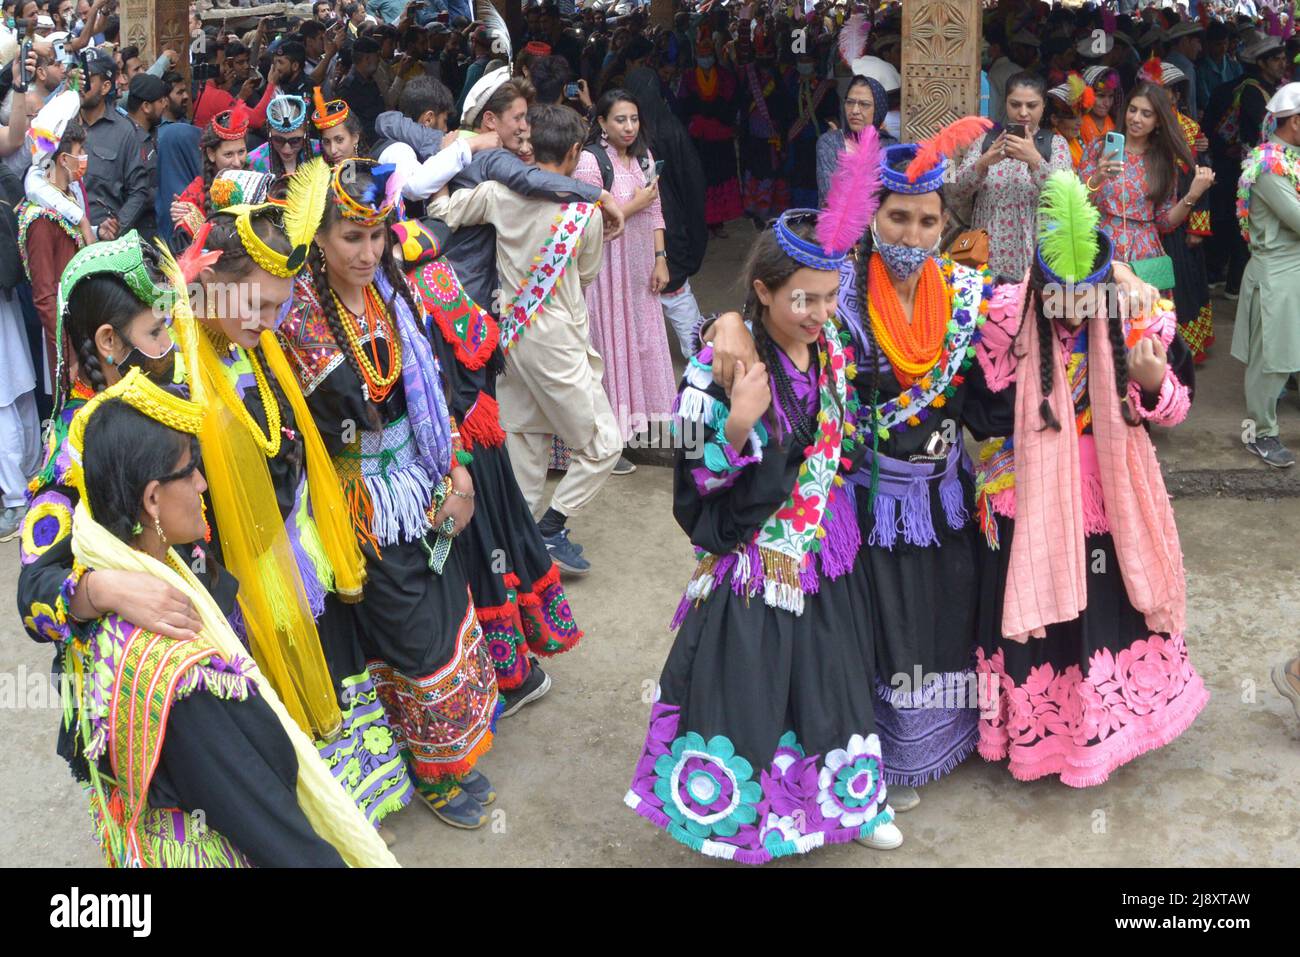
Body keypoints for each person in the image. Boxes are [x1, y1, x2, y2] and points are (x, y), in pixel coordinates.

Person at [625, 209, 901, 862]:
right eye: (804, 297)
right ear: (763, 291)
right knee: (752, 686)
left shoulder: (833, 345)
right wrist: (740, 429)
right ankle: (741, 817)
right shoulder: (712, 373)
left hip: (827, 547)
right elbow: (692, 491)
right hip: (756, 562)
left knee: (833, 673)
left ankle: (849, 800)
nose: (821, 311)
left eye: (832, 296)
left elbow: (844, 435)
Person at [61, 373, 394, 866]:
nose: (202, 482)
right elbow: (263, 821)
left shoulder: (109, 582)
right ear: (152, 500)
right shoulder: (180, 666)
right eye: (191, 468)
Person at [277, 158, 500, 829]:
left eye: (377, 235)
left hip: (423, 480)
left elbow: (433, 395)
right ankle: (431, 766)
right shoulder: (299, 317)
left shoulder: (393, 296)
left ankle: (436, 752)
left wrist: (457, 470)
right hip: (359, 503)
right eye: (351, 236)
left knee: (441, 604)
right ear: (319, 237)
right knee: (409, 631)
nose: (369, 251)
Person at [972, 170, 1206, 786]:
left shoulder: (1138, 322)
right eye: (1058, 295)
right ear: (1037, 284)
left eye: (1086, 295)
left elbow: (1177, 410)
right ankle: (1040, 735)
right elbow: (976, 408)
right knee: (1045, 619)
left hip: (1110, 494)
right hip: (1027, 496)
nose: (1072, 307)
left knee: (1101, 611)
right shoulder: (1002, 319)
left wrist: (1154, 383)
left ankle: (1104, 733)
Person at [393, 218, 582, 715]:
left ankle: (513, 676)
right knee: (500, 544)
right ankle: (518, 667)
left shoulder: (410, 306)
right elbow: (486, 358)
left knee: (477, 557)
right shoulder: (449, 289)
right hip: (486, 439)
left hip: (459, 455)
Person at [428, 105, 619, 574]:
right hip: (558, 345)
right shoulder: (584, 213)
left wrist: (449, 160)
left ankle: (514, 552)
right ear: (576, 152)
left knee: (527, 449)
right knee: (604, 444)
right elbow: (588, 274)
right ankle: (550, 529)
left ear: (532, 146)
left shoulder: (497, 193)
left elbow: (440, 209)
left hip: (508, 341)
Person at [574, 89, 672, 471]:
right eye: (620, 119)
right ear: (601, 123)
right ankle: (607, 441)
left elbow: (657, 213)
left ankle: (633, 429)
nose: (629, 127)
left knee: (641, 345)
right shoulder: (589, 163)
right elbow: (592, 223)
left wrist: (661, 259)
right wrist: (636, 204)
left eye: (633, 119)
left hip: (638, 270)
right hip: (605, 272)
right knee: (608, 347)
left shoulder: (645, 157)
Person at [1082, 82, 1213, 293]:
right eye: (1132, 110)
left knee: (1141, 320)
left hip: (1144, 253)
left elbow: (1164, 221)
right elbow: (1079, 200)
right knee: (1101, 318)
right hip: (1101, 246)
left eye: (1146, 114)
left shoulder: (1163, 160)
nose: (1135, 118)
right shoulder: (1099, 148)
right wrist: (1098, 177)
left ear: (1158, 121)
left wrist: (1193, 195)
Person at [1232, 81, 1300, 469]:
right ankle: (1260, 432)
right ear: (1294, 123)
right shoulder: (1269, 165)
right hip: (1278, 272)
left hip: (1293, 268)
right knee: (1271, 358)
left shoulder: (1291, 156)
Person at [623, 62, 708, 361]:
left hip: (633, 222)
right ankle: (698, 357)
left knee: (639, 294)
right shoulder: (670, 126)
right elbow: (692, 180)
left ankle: (641, 359)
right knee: (676, 291)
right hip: (671, 224)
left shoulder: (624, 132)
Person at [953, 73, 1071, 281]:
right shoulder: (985, 141)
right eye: (1015, 104)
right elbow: (956, 192)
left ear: (1043, 106)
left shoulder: (1055, 144)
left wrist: (1035, 160)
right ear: (1005, 103)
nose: (1023, 113)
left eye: (1032, 105)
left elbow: (1064, 198)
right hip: (986, 253)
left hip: (1033, 252)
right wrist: (983, 163)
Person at [674, 37, 741, 238]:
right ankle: (702, 224)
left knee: (719, 177)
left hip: (720, 137)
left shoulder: (725, 76)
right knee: (700, 179)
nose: (706, 59)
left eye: (708, 55)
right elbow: (682, 105)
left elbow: (732, 102)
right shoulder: (688, 78)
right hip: (698, 138)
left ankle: (718, 223)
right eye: (702, 56)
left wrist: (716, 115)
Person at [77, 51, 148, 239]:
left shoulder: (124, 132)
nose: (80, 86)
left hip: (104, 243)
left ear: (105, 86)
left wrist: (116, 228)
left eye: (88, 80)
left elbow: (138, 191)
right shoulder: (63, 123)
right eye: (79, 77)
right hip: (65, 236)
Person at [170, 106, 249, 246]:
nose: (237, 162)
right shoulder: (193, 197)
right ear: (211, 154)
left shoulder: (258, 183)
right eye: (228, 154)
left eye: (241, 152)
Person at [734, 32, 790, 225]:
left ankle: (770, 210)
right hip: (752, 135)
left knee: (772, 172)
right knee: (753, 170)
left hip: (773, 135)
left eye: (768, 55)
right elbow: (741, 100)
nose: (765, 59)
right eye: (761, 55)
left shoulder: (779, 75)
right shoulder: (748, 74)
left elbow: (784, 104)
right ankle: (754, 210)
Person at [816, 74, 894, 206]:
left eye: (864, 104)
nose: (855, 110)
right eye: (850, 102)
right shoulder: (830, 142)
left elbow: (892, 199)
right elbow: (829, 195)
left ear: (879, 109)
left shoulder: (890, 146)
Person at [248, 93, 321, 175]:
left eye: (295, 141)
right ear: (269, 134)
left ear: (305, 133)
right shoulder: (253, 162)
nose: (286, 150)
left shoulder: (322, 152)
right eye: (278, 140)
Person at [312, 86, 365, 164]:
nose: (333, 150)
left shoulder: (369, 173)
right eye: (327, 142)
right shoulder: (323, 175)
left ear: (355, 138)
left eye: (339, 140)